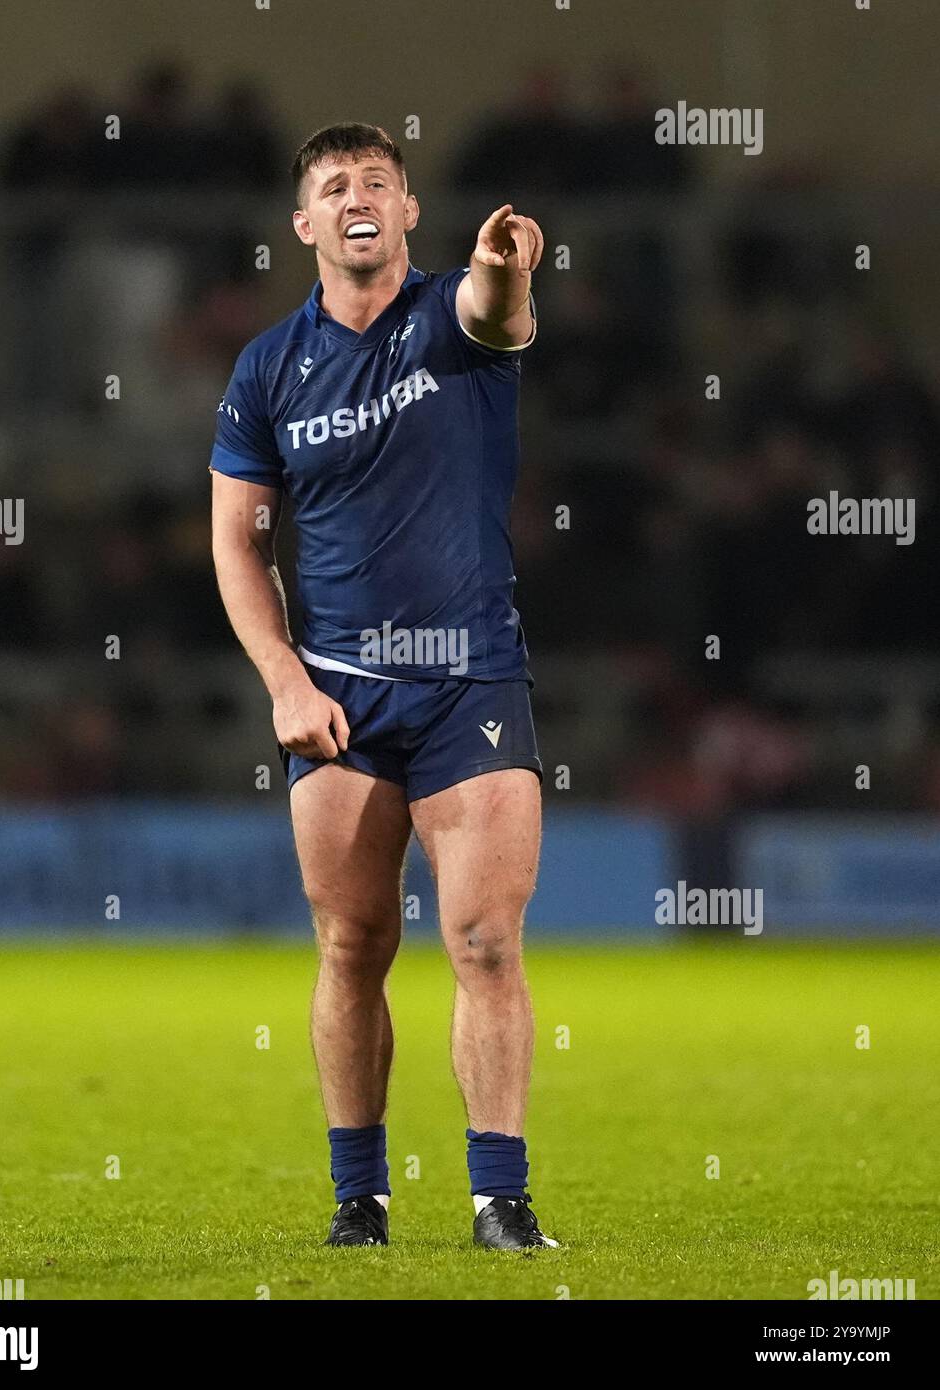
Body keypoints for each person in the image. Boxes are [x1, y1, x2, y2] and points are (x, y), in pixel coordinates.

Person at [209, 123, 556, 1250]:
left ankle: (500, 1203)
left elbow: (500, 309)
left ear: (408, 212)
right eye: (331, 187)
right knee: (353, 947)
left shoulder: (457, 317)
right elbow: (236, 545)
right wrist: (285, 684)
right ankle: (360, 1202)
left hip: (472, 683)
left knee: (485, 940)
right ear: (304, 225)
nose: (356, 196)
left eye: (377, 183)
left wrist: (510, 264)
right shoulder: (267, 369)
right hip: (343, 698)